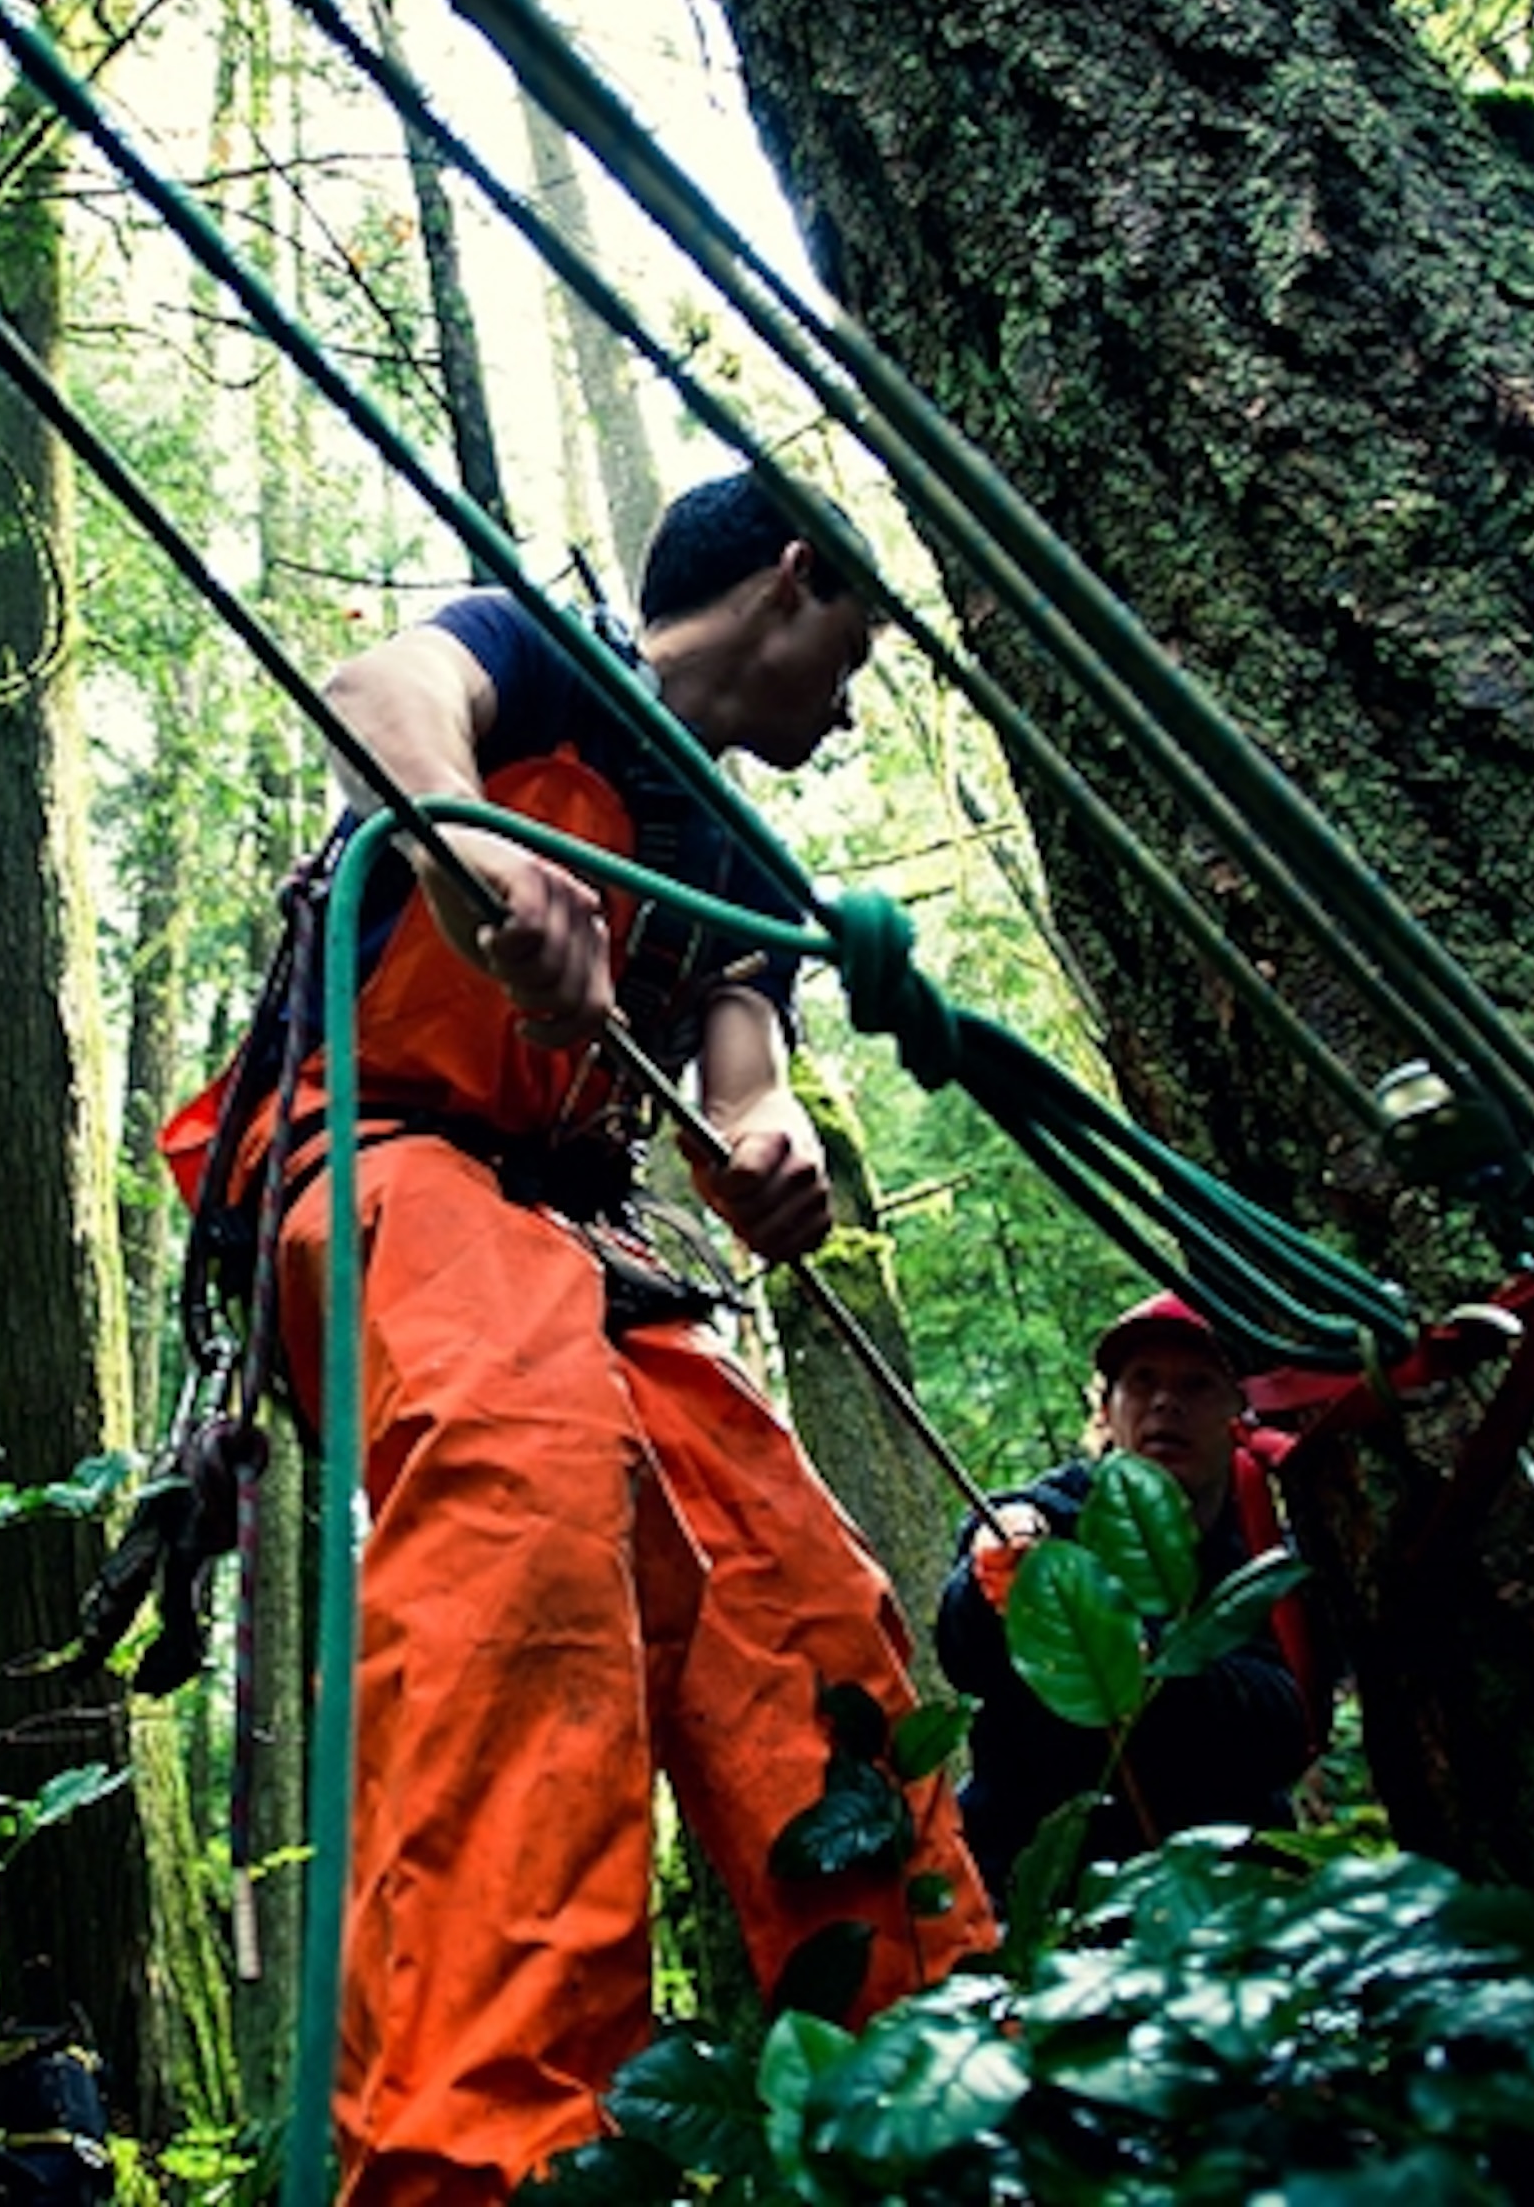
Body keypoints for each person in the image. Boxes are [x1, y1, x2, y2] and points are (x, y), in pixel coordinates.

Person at [247, 473, 997, 2203]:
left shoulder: (745, 862)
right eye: (856, 645)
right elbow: (385, 695)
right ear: (794, 579)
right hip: (372, 1149)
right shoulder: (544, 654)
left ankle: (939, 2104)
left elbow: (740, 1062)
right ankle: (480, 2155)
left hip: (589, 1243)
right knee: (518, 1470)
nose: (853, 695)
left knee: (797, 1590)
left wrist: (769, 1138)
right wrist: (472, 838)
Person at [934, 1290, 1319, 1911]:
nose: (1166, 1403)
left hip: (1227, 1898)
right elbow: (966, 1647)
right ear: (1107, 1412)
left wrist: (1146, 1659)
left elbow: (1285, 1722)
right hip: (1042, 1896)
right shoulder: (1053, 1516)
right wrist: (996, 1570)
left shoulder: (1269, 1558)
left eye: (1197, 1385)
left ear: (1240, 1414)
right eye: (1142, 1382)